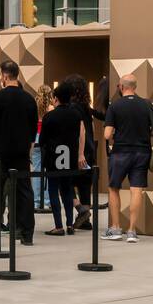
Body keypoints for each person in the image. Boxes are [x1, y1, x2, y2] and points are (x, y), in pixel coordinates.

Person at [0, 60, 38, 247]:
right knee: (25, 192)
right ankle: (26, 234)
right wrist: (28, 152)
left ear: (4, 75)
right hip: (21, 153)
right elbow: (32, 129)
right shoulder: (29, 99)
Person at [103, 73, 153, 243]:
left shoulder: (115, 106)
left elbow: (107, 135)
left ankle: (115, 228)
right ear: (135, 87)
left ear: (121, 86)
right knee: (136, 190)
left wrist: (117, 130)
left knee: (114, 188)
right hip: (142, 152)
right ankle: (132, 231)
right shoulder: (146, 104)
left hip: (120, 152)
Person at [39, 83, 87, 236]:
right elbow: (81, 134)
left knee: (53, 190)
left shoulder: (49, 116)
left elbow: (42, 140)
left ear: (56, 98)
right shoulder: (75, 115)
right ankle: (70, 224)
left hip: (53, 158)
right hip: (70, 157)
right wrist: (80, 153)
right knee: (67, 189)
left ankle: (58, 225)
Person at [64, 74, 97, 230]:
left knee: (65, 182)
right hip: (90, 148)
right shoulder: (86, 107)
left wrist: (79, 153)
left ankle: (80, 208)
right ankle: (86, 219)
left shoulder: (72, 107)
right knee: (85, 184)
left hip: (77, 150)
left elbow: (80, 130)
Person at [33, 85, 54, 211]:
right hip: (47, 138)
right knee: (47, 170)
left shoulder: (34, 107)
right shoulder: (51, 108)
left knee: (36, 171)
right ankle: (47, 201)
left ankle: (36, 201)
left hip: (35, 138)